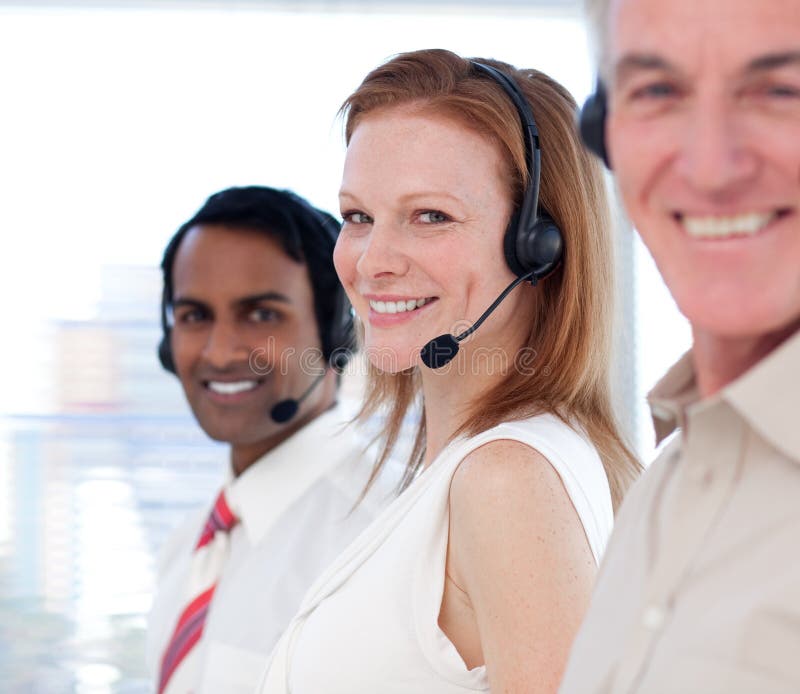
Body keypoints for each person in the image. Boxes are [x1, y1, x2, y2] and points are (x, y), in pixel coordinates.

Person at [256, 49, 641, 694]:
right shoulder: (479, 468)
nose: (372, 261)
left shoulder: (509, 479)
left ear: (538, 246)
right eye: (358, 217)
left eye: (430, 216)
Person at [559, 1, 800, 692]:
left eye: (780, 90)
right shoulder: (668, 483)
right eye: (658, 90)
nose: (712, 167)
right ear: (605, 130)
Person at [145, 186, 394, 694]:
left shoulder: (384, 534)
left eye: (261, 315)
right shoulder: (187, 546)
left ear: (337, 332)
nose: (219, 353)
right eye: (195, 316)